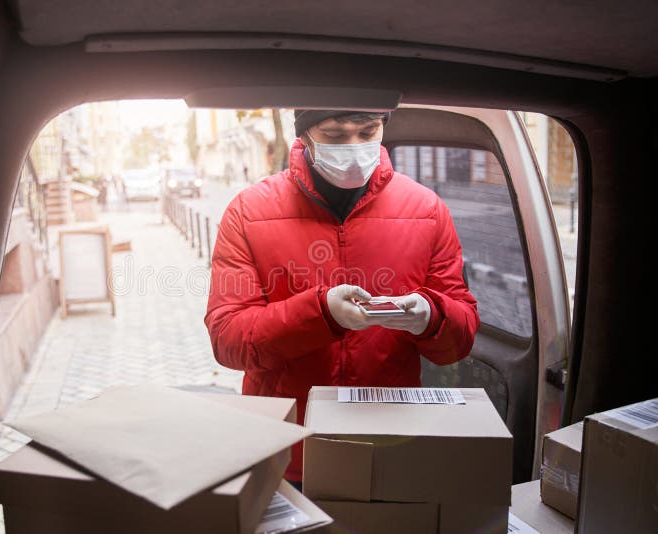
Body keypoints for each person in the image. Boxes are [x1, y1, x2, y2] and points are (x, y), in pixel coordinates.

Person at [204, 109, 480, 488]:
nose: (353, 148)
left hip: (387, 442)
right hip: (287, 449)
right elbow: (228, 339)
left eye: (368, 132)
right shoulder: (248, 212)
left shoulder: (427, 210)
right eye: (334, 135)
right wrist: (320, 315)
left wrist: (431, 317)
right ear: (305, 136)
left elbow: (460, 338)